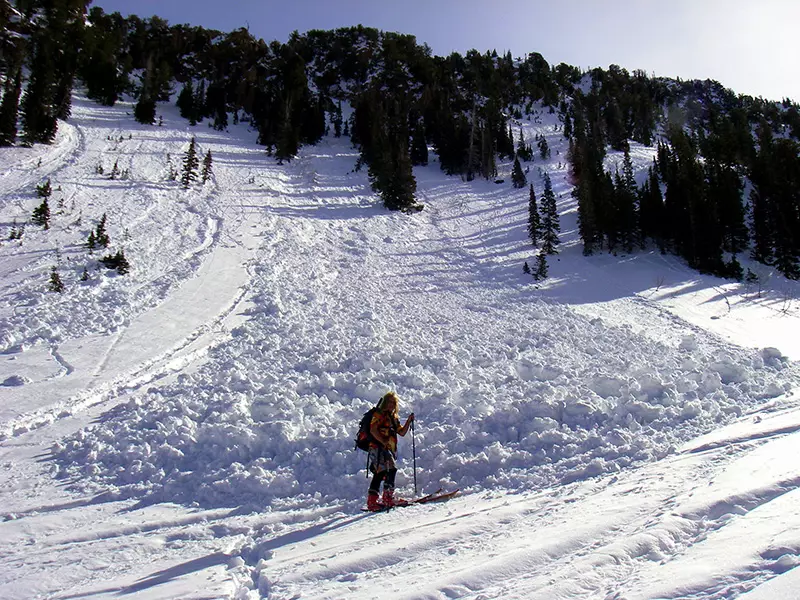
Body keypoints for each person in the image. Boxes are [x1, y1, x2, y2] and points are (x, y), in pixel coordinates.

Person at [367, 391, 415, 510]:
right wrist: (383, 442)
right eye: (389, 402)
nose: (391, 405)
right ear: (384, 403)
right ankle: (387, 497)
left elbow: (402, 432)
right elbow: (373, 430)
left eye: (393, 403)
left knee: (380, 472)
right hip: (378, 447)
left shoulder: (393, 418)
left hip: (384, 448)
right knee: (391, 469)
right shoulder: (379, 415)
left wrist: (408, 422)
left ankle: (372, 501)